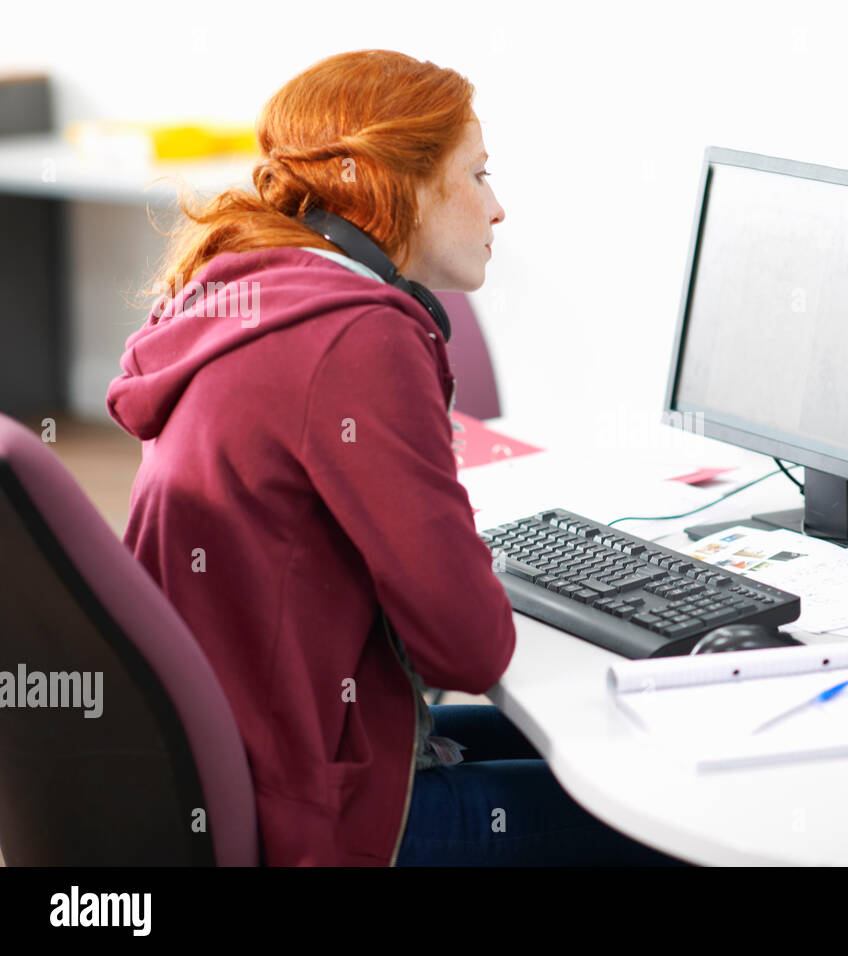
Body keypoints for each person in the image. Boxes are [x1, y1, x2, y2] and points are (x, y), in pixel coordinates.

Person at [107, 49, 680, 866]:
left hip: (234, 772)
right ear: (397, 185)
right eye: (478, 175)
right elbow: (469, 650)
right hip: (308, 817)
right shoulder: (356, 337)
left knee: (619, 741)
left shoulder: (255, 290)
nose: (499, 208)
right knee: (657, 805)